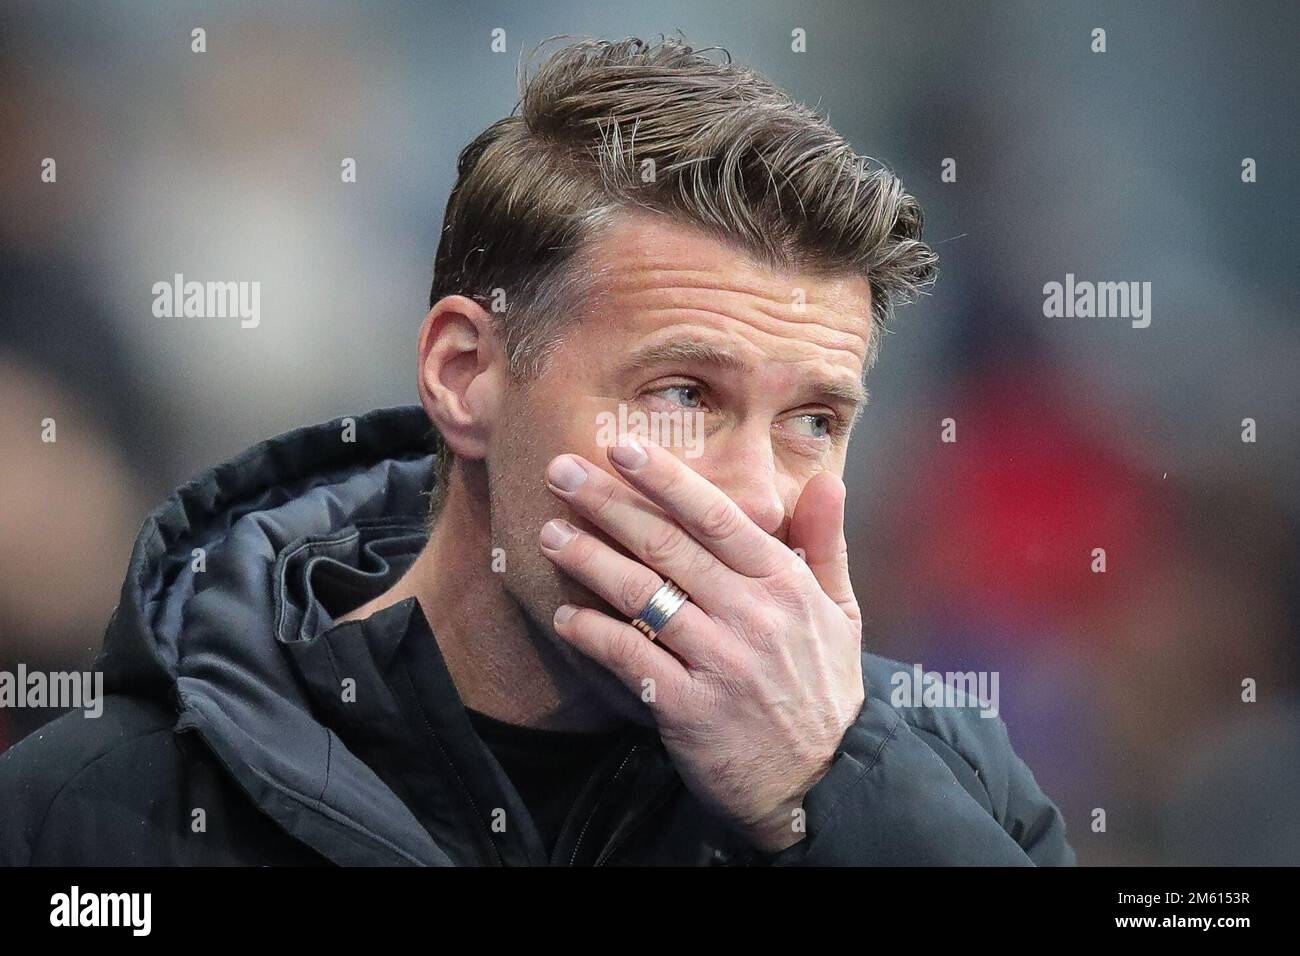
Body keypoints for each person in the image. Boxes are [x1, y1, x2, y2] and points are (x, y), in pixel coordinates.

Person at [0, 35, 1074, 866]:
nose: (759, 495)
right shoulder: (90, 806)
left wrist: (831, 794)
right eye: (684, 392)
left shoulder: (954, 781)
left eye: (814, 421)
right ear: (466, 372)